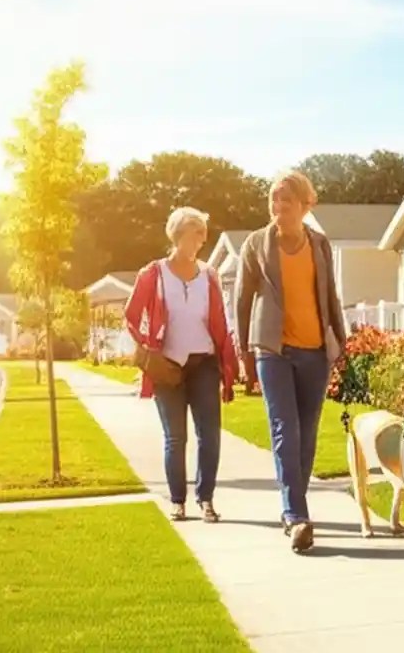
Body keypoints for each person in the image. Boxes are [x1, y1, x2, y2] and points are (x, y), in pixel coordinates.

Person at [234, 171, 347, 553]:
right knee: (285, 428)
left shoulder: (319, 244)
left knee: (307, 434)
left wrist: (340, 340)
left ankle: (293, 500)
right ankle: (296, 515)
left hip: (314, 350)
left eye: (287, 200)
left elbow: (330, 293)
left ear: (304, 205)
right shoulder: (256, 244)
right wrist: (243, 350)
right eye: (274, 198)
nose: (278, 206)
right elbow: (242, 299)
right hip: (273, 350)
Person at [125, 206, 237, 524]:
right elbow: (131, 316)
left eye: (203, 234)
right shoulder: (153, 274)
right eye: (195, 233)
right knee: (176, 438)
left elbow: (220, 324)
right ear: (178, 235)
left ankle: (206, 499)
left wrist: (229, 365)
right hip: (168, 367)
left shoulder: (209, 276)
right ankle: (178, 501)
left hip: (204, 364)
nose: (201, 240)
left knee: (209, 436)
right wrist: (148, 350)